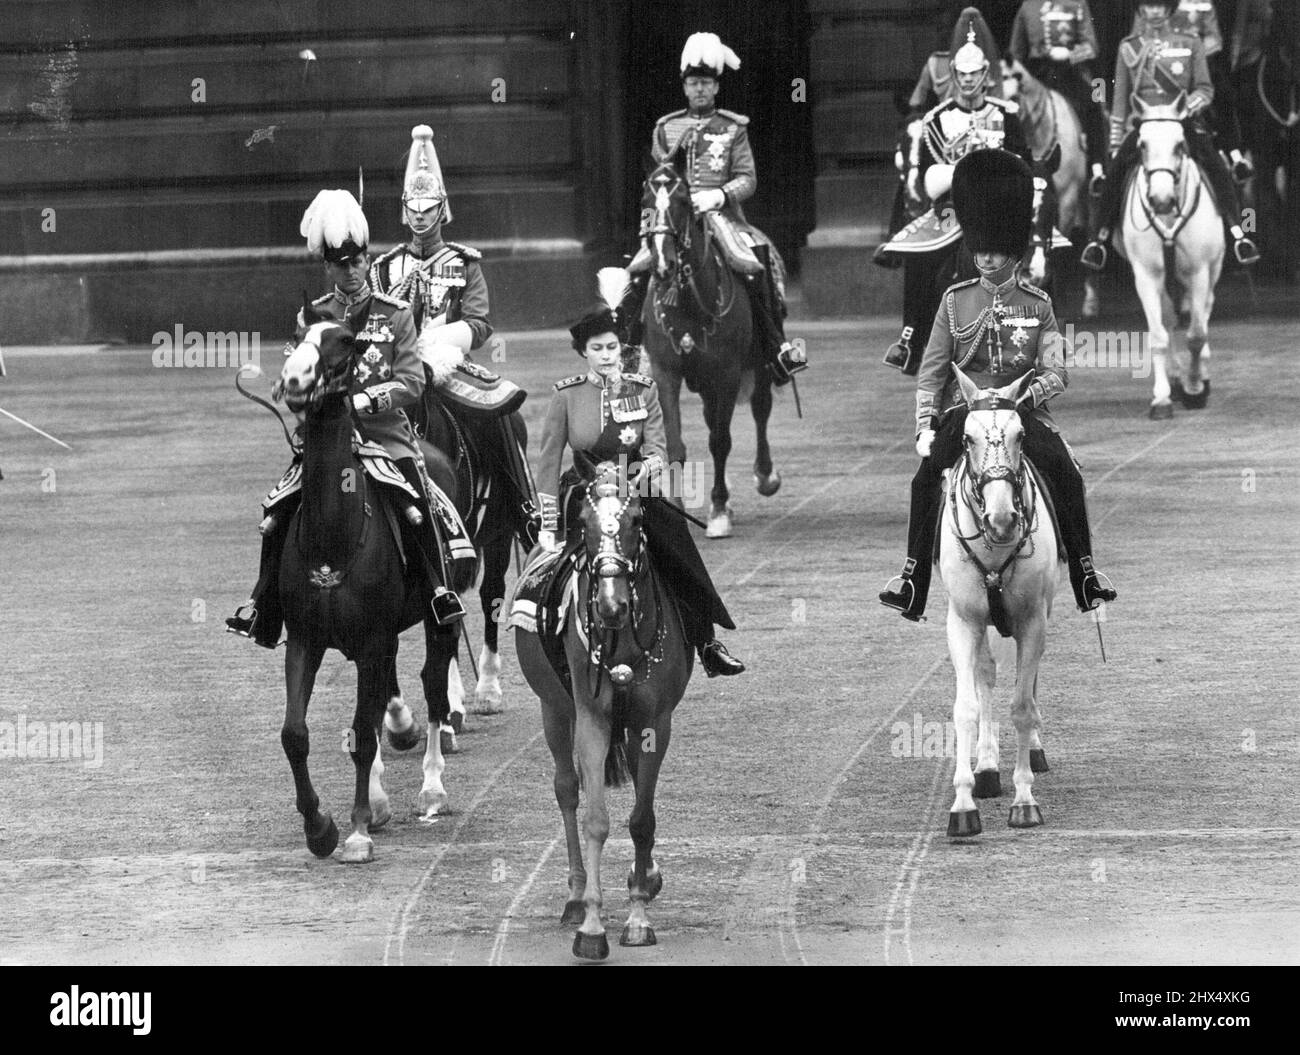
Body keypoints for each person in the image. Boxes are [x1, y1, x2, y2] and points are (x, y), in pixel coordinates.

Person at [880, 149, 1118, 621]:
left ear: (1014, 253)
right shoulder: (953, 302)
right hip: (963, 414)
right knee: (924, 479)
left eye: (994, 251)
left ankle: (1085, 573)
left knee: (1067, 474)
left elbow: (1057, 371)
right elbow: (932, 371)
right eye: (980, 249)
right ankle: (912, 578)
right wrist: (925, 425)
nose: (984, 257)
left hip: (1023, 413)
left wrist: (1026, 397)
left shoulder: (1038, 303)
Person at [226, 189, 466, 647]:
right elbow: (295, 373)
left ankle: (438, 589)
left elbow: (412, 382)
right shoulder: (312, 316)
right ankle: (263, 603)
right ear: (327, 266)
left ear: (367, 258)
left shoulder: (394, 315)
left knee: (419, 505)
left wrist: (359, 403)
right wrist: (288, 390)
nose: (351, 270)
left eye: (357, 261)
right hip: (325, 443)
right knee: (276, 509)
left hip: (386, 440)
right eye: (340, 264)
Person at [535, 286, 745, 678]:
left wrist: (636, 475)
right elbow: (548, 461)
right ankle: (545, 643)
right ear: (584, 352)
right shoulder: (565, 396)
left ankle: (705, 641)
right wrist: (548, 522)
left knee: (678, 549)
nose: (606, 356)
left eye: (612, 347)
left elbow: (657, 451)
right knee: (546, 573)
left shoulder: (643, 389)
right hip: (583, 491)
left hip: (636, 488)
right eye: (597, 348)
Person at [369, 124, 539, 540]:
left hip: (448, 365)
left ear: (442, 208)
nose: (421, 216)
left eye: (429, 208)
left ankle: (523, 506)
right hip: (394, 369)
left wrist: (438, 343)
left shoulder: (465, 264)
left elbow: (479, 325)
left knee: (504, 416)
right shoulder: (383, 267)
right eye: (414, 207)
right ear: (404, 209)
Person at [620, 31, 805, 386]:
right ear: (685, 87)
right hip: (673, 217)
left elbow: (747, 179)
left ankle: (776, 347)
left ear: (717, 87)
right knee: (639, 270)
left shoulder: (733, 128)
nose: (700, 89)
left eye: (706, 82)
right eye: (693, 83)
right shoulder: (667, 127)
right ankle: (630, 350)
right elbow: (658, 181)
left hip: (723, 217)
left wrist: (718, 196)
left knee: (756, 262)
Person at [878, 9, 1029, 373]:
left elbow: (1023, 163)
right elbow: (930, 175)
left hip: (998, 206)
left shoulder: (1006, 114)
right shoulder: (937, 119)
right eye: (960, 75)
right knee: (919, 256)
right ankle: (911, 337)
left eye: (974, 74)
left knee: (1040, 254)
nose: (967, 81)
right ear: (953, 76)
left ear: (985, 75)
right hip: (953, 207)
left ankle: (1041, 337)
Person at [1082, 0, 1259, 269]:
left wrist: (1181, 110)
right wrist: (1116, 142)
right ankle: (1099, 240)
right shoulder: (1128, 46)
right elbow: (1119, 100)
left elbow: (1205, 90)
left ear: (1168, 10)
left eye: (1159, 7)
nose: (1154, 13)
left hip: (1182, 122)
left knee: (1215, 167)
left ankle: (1239, 233)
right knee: (1115, 173)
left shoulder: (1190, 43)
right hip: (1142, 123)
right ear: (1140, 11)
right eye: (1148, 7)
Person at [1128, 0, 1254, 182]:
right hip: (1160, 64)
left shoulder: (1202, 3)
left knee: (1225, 94)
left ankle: (1234, 154)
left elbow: (1214, 37)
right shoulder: (1151, 4)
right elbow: (1137, 37)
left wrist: (1198, 54)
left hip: (1197, 61)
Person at [1009, 0, 1109, 190]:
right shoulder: (1028, 6)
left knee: (1093, 106)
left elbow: (1091, 46)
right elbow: (1017, 51)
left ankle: (1097, 169)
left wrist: (1070, 54)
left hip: (1070, 72)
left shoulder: (1078, 4)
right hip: (1038, 74)